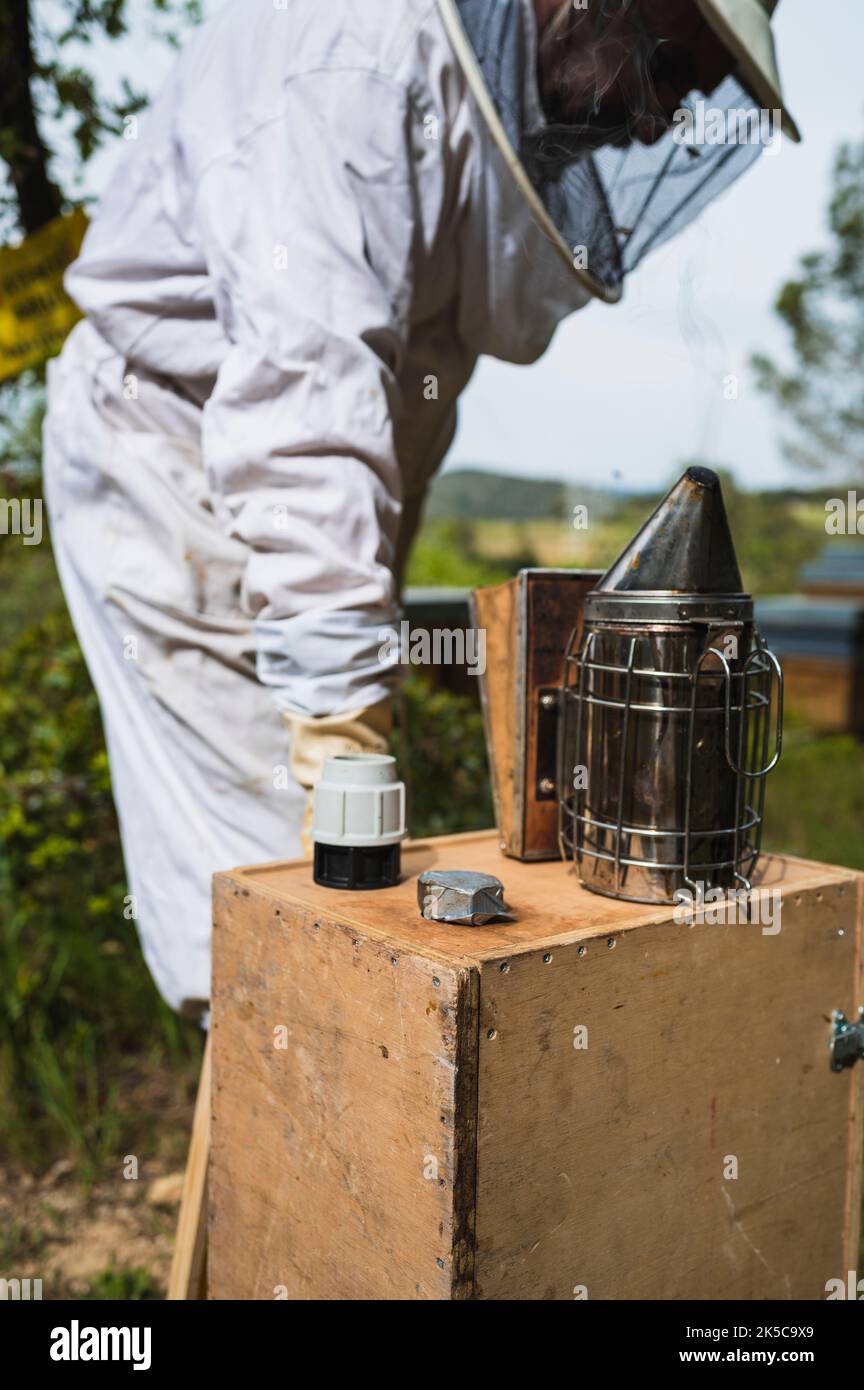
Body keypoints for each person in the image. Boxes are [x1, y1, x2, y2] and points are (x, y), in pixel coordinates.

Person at [42, 0, 799, 1018]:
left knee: (331, 892)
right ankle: (283, 1137)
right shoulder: (347, 58)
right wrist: (340, 722)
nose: (660, 125)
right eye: (669, 72)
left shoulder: (465, 95)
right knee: (273, 905)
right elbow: (302, 404)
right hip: (176, 464)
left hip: (311, 474)